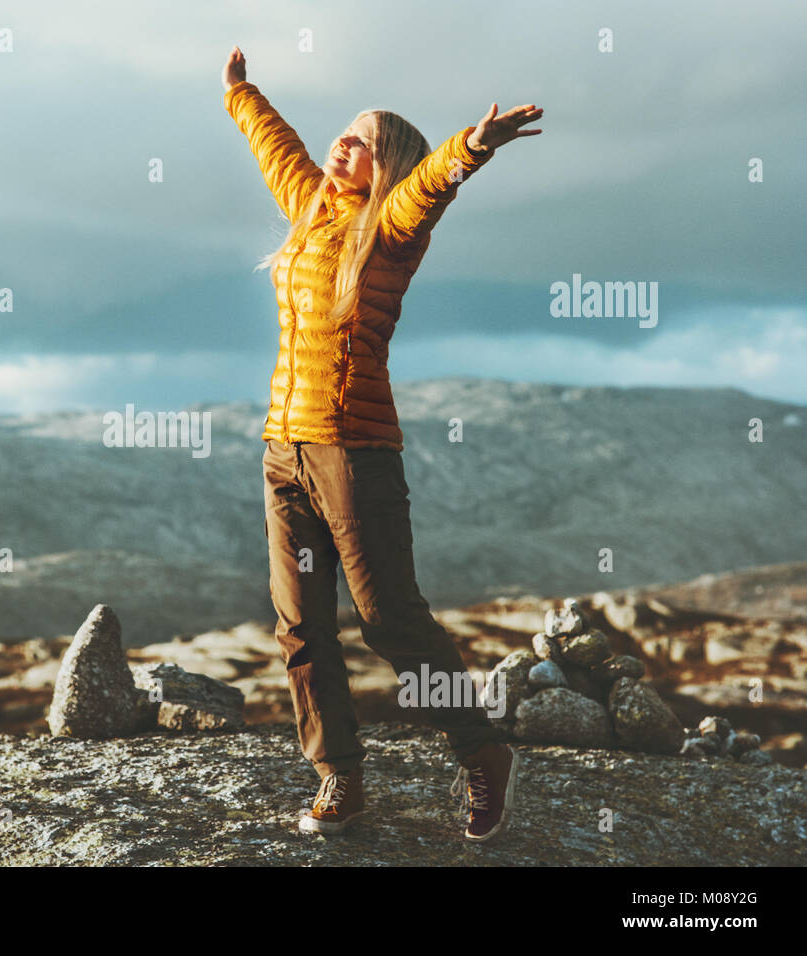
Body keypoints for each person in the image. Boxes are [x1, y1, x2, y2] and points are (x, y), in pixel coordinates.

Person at [221, 45, 542, 842]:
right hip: (282, 452)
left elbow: (429, 188)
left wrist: (470, 147)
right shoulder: (310, 206)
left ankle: (481, 749)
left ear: (387, 162)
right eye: (346, 131)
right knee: (300, 627)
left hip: (354, 452)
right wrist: (241, 93)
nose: (345, 144)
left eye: (365, 140)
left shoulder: (390, 229)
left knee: (390, 619)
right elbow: (278, 147)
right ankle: (340, 776)